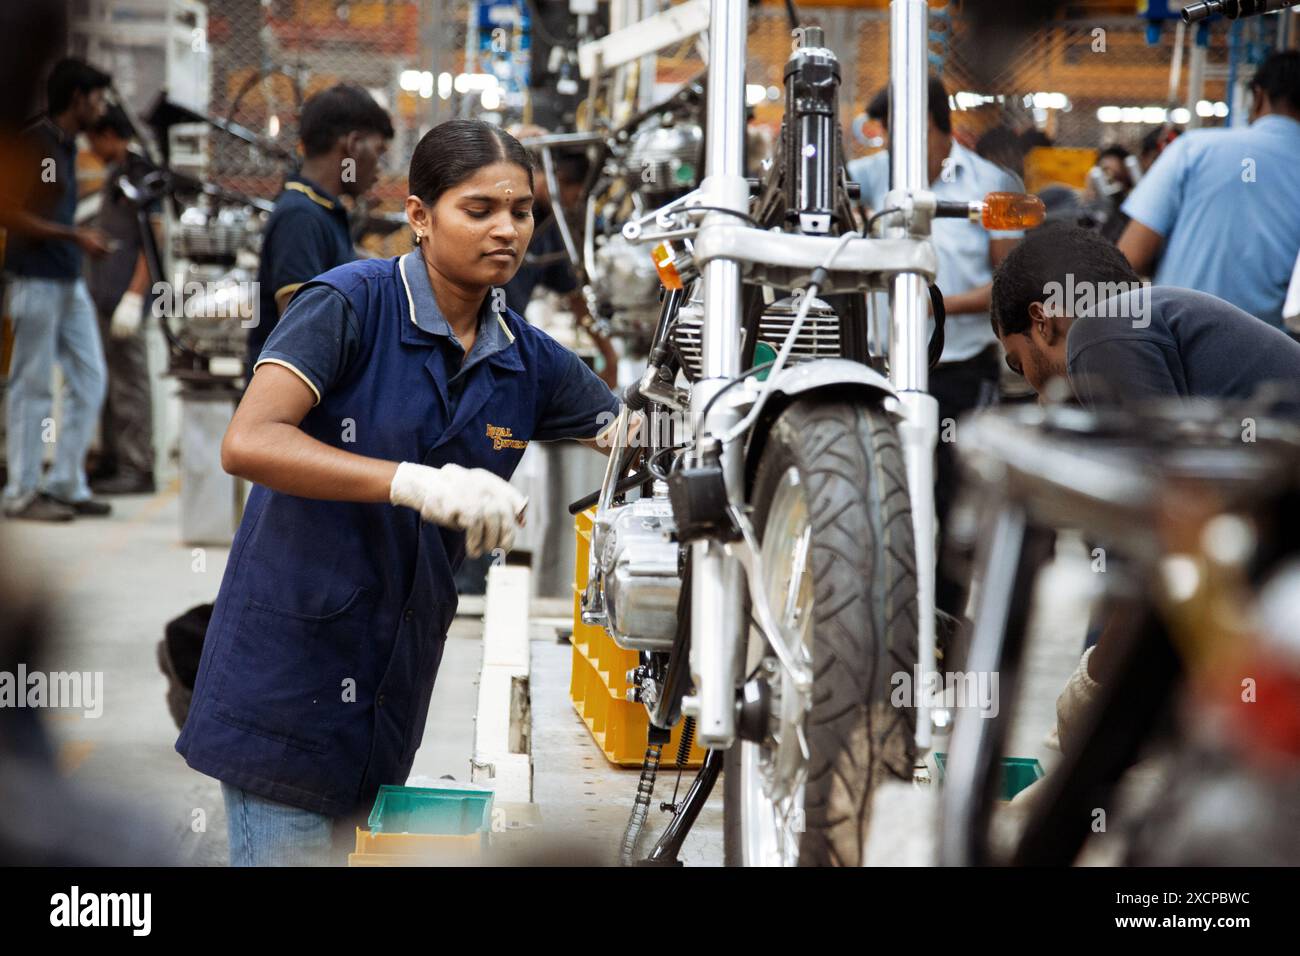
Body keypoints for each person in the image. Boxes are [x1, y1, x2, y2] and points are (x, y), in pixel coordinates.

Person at [175, 120, 622, 866]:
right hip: (289, 679)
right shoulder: (351, 304)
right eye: (478, 210)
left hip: (389, 687)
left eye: (522, 211)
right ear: (419, 216)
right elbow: (249, 441)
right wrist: (412, 483)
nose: (506, 229)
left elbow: (632, 433)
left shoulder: (527, 360)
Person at [849, 75, 1026, 616]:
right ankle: (881, 619)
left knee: (954, 501)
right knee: (879, 493)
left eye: (898, 131)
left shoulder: (994, 186)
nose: (889, 145)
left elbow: (1009, 284)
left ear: (930, 124)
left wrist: (935, 302)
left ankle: (944, 624)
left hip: (960, 369)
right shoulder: (863, 179)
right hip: (880, 367)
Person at [991, 224, 1300, 413]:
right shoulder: (1140, 316)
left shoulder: (1099, 327)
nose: (1031, 383)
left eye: (1018, 363)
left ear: (1042, 321)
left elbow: (1154, 482)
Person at [0, 58, 112, 521]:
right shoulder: (39, 145)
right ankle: (22, 493)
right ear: (77, 97)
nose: (102, 106)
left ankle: (66, 482)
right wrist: (73, 237)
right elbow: (8, 211)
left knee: (91, 379)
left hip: (68, 280)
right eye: (97, 97)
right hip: (35, 279)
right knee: (32, 387)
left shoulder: (65, 146)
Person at [1118, 50, 1300, 331]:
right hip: (1275, 355)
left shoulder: (1195, 149)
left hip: (1176, 342)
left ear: (1258, 96)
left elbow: (1130, 257)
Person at [246, 84, 394, 380]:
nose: (379, 170)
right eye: (378, 152)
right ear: (353, 145)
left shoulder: (322, 211)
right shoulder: (301, 216)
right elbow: (303, 327)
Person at [84, 105, 157, 494]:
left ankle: (138, 465)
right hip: (104, 294)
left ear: (110, 134)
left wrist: (134, 294)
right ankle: (113, 458)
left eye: (94, 138)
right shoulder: (115, 173)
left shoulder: (140, 174)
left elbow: (152, 236)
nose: (91, 146)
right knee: (109, 383)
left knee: (130, 384)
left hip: (125, 299)